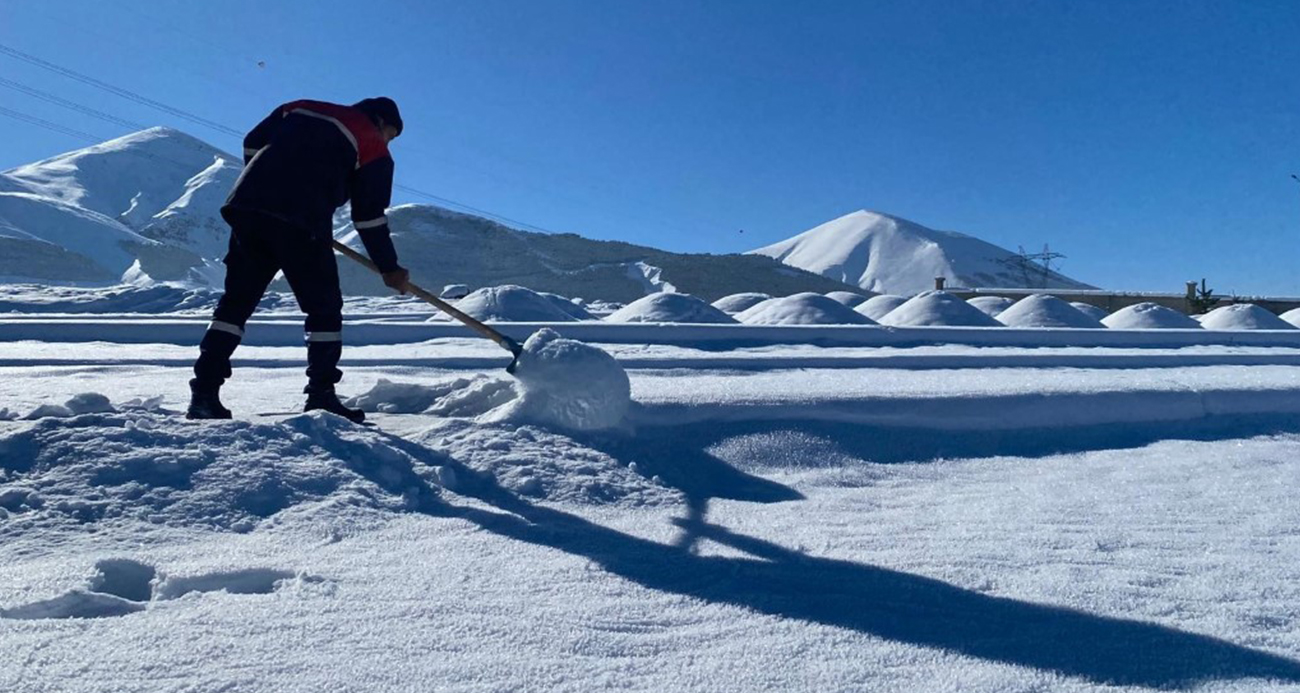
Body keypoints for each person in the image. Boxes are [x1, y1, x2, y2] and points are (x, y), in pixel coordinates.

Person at [187, 97, 411, 423]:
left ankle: (204, 394)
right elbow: (369, 218)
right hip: (302, 222)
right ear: (380, 122)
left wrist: (268, 186)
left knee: (235, 305)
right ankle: (321, 395)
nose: (389, 140)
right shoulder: (373, 144)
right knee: (323, 309)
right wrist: (389, 269)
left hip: (248, 209)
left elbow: (252, 141)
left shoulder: (300, 107)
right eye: (391, 134)